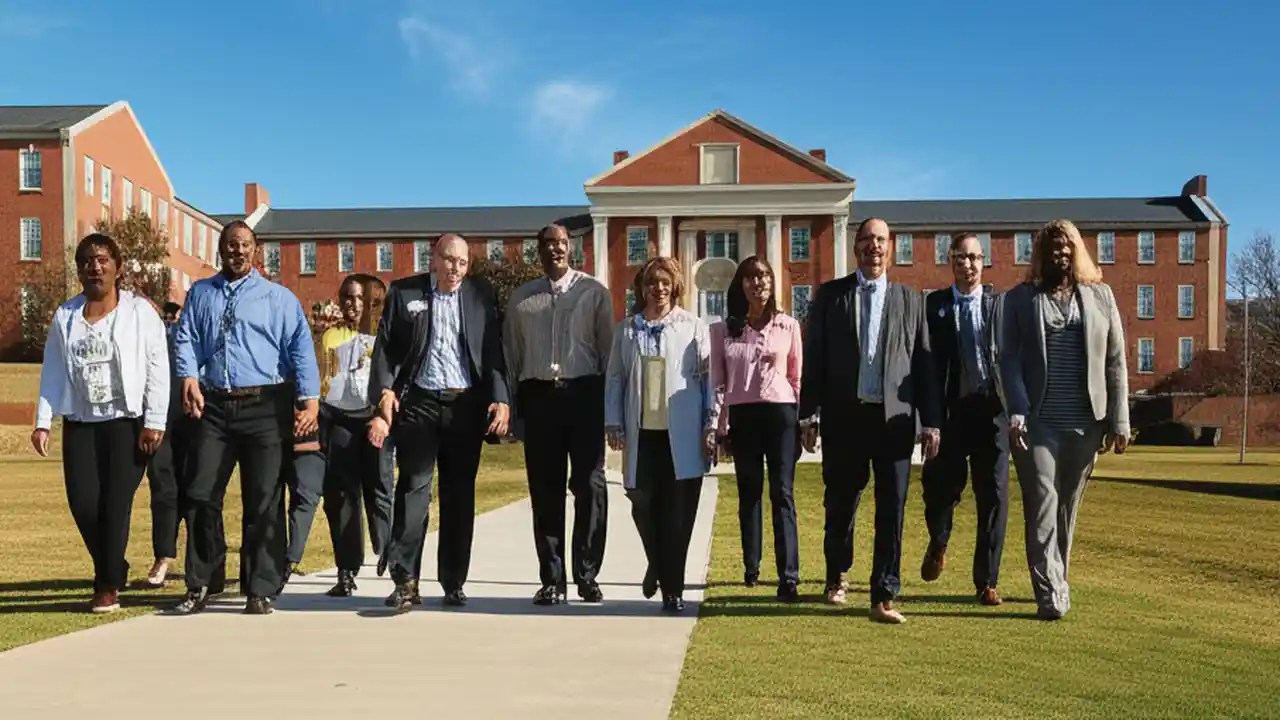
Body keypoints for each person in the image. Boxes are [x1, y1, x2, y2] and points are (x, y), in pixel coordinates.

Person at [171, 220, 321, 616]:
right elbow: (185, 337)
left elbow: (301, 348)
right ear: (220, 250)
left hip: (265, 404)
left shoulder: (279, 298)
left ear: (255, 252)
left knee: (264, 498)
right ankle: (202, 581)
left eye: (244, 245)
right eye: (230, 245)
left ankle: (260, 586)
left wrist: (309, 400)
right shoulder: (201, 293)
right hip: (214, 405)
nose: (237, 251)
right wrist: (188, 376)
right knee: (201, 493)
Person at [799, 217, 941, 624]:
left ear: (890, 247)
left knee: (892, 506)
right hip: (845, 418)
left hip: (894, 421)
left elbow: (925, 365)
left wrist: (931, 422)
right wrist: (808, 414)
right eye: (866, 240)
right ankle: (836, 573)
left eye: (880, 240)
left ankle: (884, 593)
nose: (873, 247)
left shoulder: (911, 301)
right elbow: (816, 360)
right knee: (841, 504)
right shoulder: (831, 296)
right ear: (855, 247)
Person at [367, 234, 510, 613]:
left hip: (465, 404)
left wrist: (500, 397)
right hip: (421, 402)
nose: (455, 270)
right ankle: (406, 581)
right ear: (434, 259)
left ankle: (453, 581)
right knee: (413, 488)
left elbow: (492, 348)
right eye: (449, 261)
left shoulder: (479, 294)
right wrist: (384, 391)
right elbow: (386, 347)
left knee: (459, 496)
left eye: (462, 264)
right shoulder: (405, 292)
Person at [998, 218, 1130, 620]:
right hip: (1038, 422)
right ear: (1041, 253)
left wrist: (1119, 421)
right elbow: (1010, 361)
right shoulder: (1020, 299)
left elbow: (1116, 361)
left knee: (1066, 508)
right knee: (1041, 502)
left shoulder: (1100, 296)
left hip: (1086, 422)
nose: (1061, 253)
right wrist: (1017, 411)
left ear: (1077, 251)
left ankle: (1060, 579)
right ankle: (1049, 593)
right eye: (1053, 247)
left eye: (1067, 246)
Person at [32, 233, 170, 613]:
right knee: (83, 504)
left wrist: (154, 420)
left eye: (103, 259)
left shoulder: (140, 313)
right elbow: (54, 371)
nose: (95, 266)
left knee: (115, 504)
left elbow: (158, 367)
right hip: (81, 423)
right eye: (87, 261)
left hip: (126, 423)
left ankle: (106, 584)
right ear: (79, 271)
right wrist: (44, 420)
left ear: (118, 267)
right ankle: (114, 565)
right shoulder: (66, 317)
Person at [504, 224, 613, 606]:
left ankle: (586, 574)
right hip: (539, 399)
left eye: (562, 243)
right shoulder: (522, 300)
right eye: (548, 244)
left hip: (584, 393)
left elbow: (607, 354)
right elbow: (512, 358)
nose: (556, 250)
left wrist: (608, 407)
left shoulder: (595, 293)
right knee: (545, 490)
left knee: (590, 486)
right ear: (539, 251)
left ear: (572, 248)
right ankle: (552, 579)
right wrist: (516, 411)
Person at [605, 257, 716, 613]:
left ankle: (673, 588)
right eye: (652, 282)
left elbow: (707, 379)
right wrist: (613, 421)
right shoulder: (627, 329)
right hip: (643, 432)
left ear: (676, 286)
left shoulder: (693, 326)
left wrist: (709, 425)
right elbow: (616, 377)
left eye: (665, 281)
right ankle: (657, 560)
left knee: (677, 514)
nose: (659, 288)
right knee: (641, 502)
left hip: (679, 434)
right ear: (642, 288)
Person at [919, 232, 1009, 606]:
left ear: (982, 262)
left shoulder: (998, 305)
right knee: (939, 489)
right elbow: (924, 364)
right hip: (950, 413)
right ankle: (939, 541)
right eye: (960, 258)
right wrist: (929, 418)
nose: (968, 265)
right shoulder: (934, 306)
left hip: (990, 412)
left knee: (994, 495)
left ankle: (986, 580)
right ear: (951, 262)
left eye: (974, 258)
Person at [709, 255, 802, 602]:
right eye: (749, 278)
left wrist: (804, 420)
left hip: (781, 415)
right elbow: (719, 382)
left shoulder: (788, 326)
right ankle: (751, 566)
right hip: (743, 416)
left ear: (772, 283)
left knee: (783, 493)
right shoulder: (724, 330)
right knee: (749, 492)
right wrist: (719, 427)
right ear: (741, 286)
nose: (757, 283)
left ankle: (788, 575)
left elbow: (796, 377)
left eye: (763, 276)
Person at [319, 274, 394, 597]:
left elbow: (392, 383)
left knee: (379, 489)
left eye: (360, 298)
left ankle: (389, 552)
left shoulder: (381, 337)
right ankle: (346, 570)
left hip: (374, 420)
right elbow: (323, 381)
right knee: (341, 497)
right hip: (339, 421)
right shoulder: (329, 337)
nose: (353, 304)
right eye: (347, 297)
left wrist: (383, 417)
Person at [142, 301, 194, 587]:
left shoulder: (196, 338)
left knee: (197, 492)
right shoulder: (153, 338)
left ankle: (201, 562)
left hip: (195, 421)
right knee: (162, 489)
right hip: (159, 421)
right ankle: (163, 556)